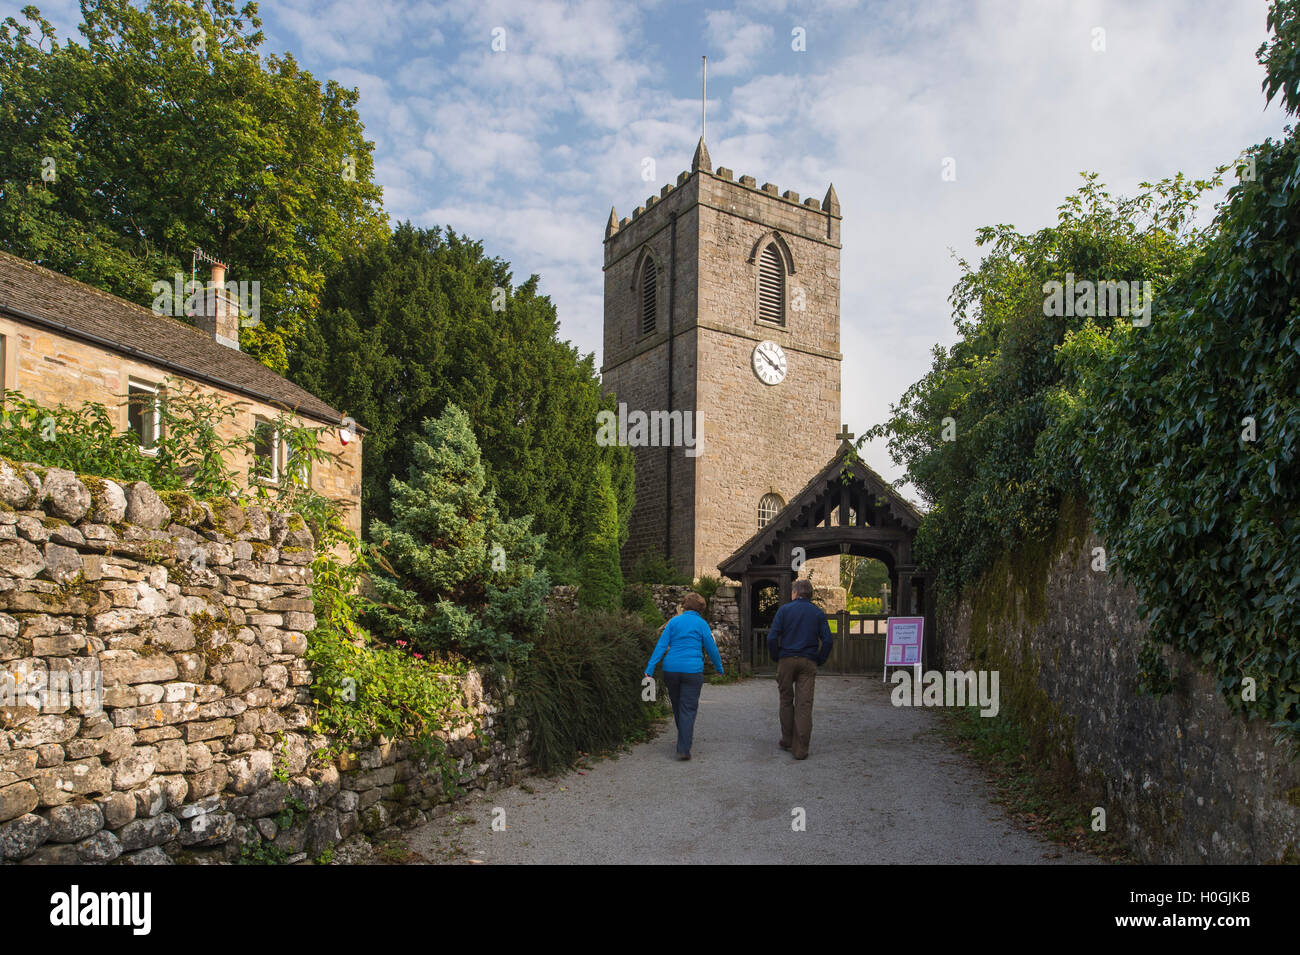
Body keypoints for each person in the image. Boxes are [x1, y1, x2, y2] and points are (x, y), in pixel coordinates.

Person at [644, 592, 724, 761]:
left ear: (685, 605)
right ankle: (683, 748)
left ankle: (683, 740)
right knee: (688, 708)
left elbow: (661, 645)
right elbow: (711, 648)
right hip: (692, 671)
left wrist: (650, 668)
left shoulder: (673, 622)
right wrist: (719, 668)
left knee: (678, 706)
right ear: (700, 608)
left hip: (671, 669)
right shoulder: (702, 624)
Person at [766, 578, 833, 759]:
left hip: (786, 659)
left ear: (795, 593)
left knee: (786, 700)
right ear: (810, 594)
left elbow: (772, 637)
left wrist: (776, 656)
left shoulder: (784, 610)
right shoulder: (817, 613)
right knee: (804, 704)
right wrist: (819, 659)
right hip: (808, 661)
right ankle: (801, 748)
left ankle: (787, 739)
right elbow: (827, 640)